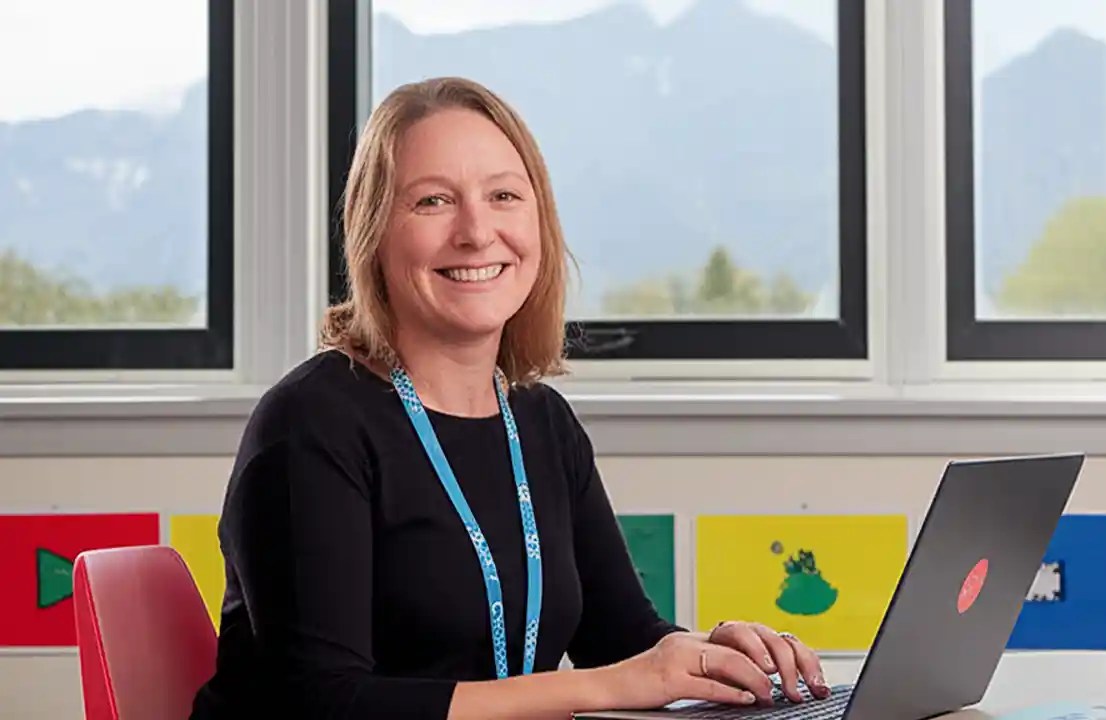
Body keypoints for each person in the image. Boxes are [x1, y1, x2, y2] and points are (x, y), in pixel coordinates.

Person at [189, 76, 829, 720]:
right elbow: (324, 702)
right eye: (434, 201)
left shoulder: (541, 420)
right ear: (373, 233)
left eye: (503, 196)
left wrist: (710, 655)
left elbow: (621, 636)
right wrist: (606, 688)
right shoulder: (310, 423)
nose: (476, 232)